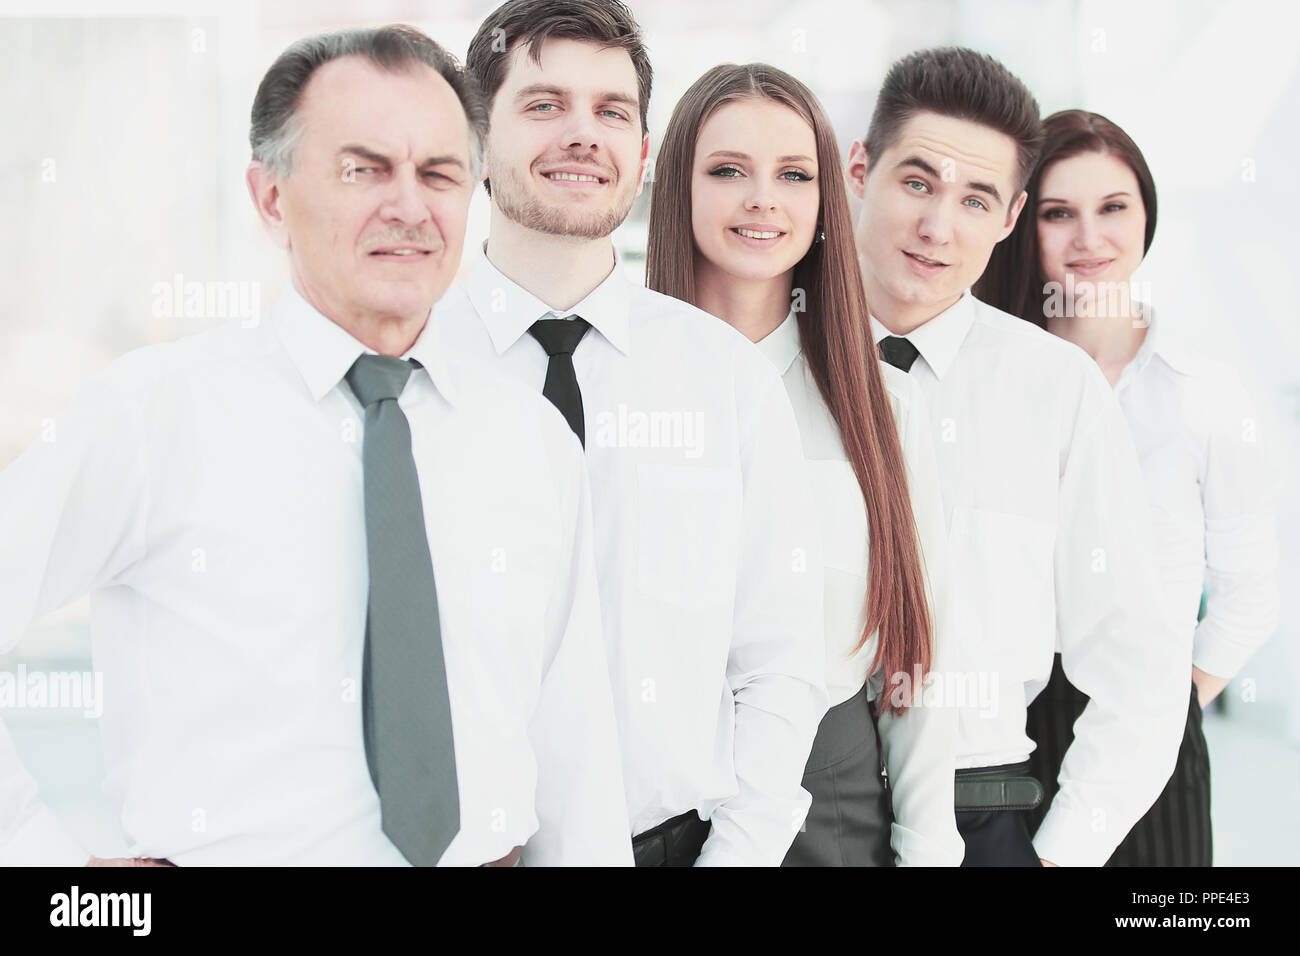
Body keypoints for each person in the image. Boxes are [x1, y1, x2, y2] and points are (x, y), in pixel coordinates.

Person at [0, 25, 631, 867]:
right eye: (362, 168)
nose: (408, 205)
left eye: (438, 173)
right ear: (270, 199)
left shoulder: (529, 437)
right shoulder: (152, 415)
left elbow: (574, 748)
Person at [436, 0, 827, 866]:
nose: (584, 135)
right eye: (544, 105)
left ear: (643, 153)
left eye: (612, 112)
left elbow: (779, 661)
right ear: (474, 140)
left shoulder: (726, 381)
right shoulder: (411, 375)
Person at [846, 47, 1187, 866]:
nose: (939, 227)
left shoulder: (1058, 392)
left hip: (984, 813)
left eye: (976, 199)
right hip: (799, 809)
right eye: (918, 183)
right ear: (860, 169)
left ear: (1008, 219)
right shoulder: (769, 365)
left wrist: (1058, 855)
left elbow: (1138, 660)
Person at [645, 62, 962, 867]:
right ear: (675, 186)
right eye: (727, 171)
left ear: (827, 203)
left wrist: (927, 848)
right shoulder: (613, 388)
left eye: (794, 174)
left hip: (831, 798)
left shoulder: (889, 409)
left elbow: (915, 665)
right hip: (642, 797)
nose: (764, 199)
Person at [976, 109, 1280, 866]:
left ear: (1147, 215)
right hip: (1002, 725)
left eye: (1113, 208)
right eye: (1058, 213)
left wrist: (1170, 704)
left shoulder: (1202, 392)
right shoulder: (991, 380)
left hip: (1152, 727)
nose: (1089, 238)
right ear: (1023, 223)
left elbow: (1250, 592)